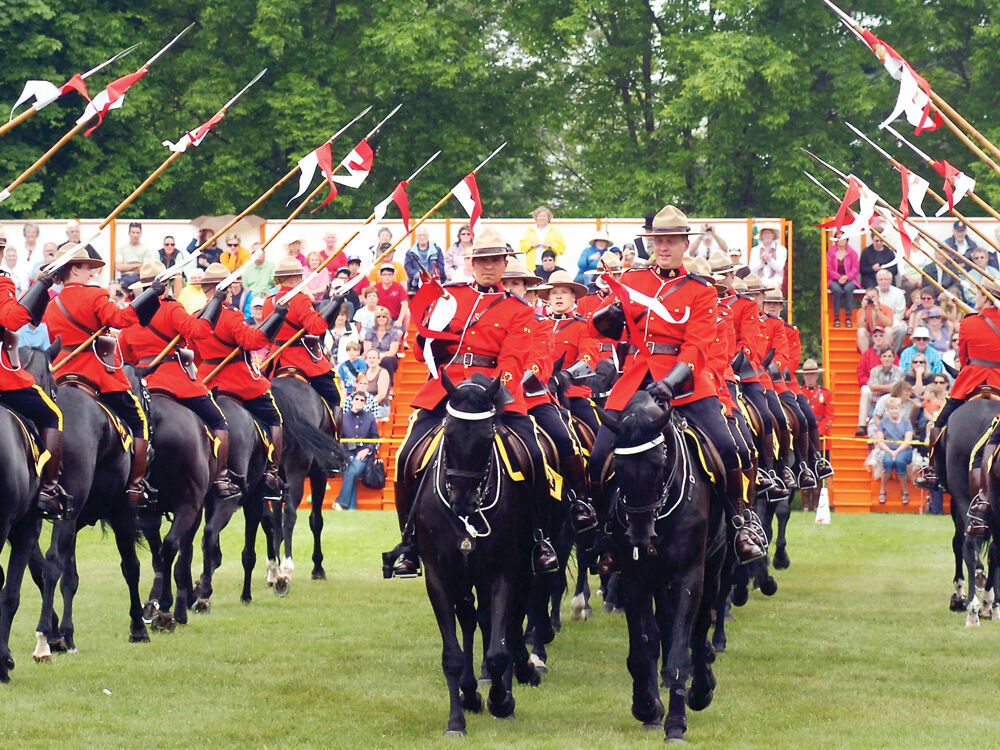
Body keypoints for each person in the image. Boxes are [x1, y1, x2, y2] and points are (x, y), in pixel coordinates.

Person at [586, 205, 766, 570]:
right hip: (636, 379)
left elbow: (698, 344)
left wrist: (671, 381)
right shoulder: (633, 280)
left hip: (685, 384)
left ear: (685, 244)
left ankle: (740, 523)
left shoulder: (700, 290)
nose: (664, 247)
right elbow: (599, 330)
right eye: (658, 241)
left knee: (729, 448)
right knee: (598, 457)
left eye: (671, 241)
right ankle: (605, 534)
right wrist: (608, 316)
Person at [387, 225, 558, 579]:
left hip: (493, 392)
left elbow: (513, 359)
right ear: (473, 263)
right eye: (483, 260)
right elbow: (423, 352)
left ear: (504, 264)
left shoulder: (518, 309)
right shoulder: (450, 297)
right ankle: (409, 542)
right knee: (405, 456)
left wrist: (488, 392)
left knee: (534, 455)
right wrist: (429, 330)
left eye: (495, 260)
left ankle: (539, 538)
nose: (489, 266)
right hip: (448, 391)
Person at [43, 244, 161, 506]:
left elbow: (55, 340)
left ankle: (46, 484)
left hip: (62, 373)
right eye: (87, 268)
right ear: (75, 269)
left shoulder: (52, 304)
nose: (92, 273)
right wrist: (151, 294)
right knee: (138, 419)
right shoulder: (95, 294)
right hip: (96, 372)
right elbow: (121, 319)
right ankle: (136, 485)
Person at [118, 261, 240, 500]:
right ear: (164, 287)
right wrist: (216, 302)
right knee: (218, 422)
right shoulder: (172, 309)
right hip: (175, 379)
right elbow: (199, 331)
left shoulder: (132, 315)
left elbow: (124, 356)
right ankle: (222, 477)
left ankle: (134, 482)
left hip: (143, 383)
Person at [189, 263, 285, 498]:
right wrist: (276, 317)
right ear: (219, 289)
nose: (233, 291)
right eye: (230, 287)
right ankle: (272, 472)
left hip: (207, 380)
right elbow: (253, 342)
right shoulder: (232, 316)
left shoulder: (196, 317)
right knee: (274, 418)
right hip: (240, 381)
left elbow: (193, 353)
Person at [0, 262, 71, 518]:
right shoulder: (2, 282)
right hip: (4, 380)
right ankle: (49, 489)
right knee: (53, 415)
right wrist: (41, 285)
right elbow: (12, 319)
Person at [919, 278, 1000, 493]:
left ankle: (933, 470)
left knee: (939, 422)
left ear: (986, 297)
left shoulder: (969, 322)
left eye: (978, 293)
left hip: (971, 381)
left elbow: (963, 358)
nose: (976, 297)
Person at [263, 258, 344, 413]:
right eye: (299, 277)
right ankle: (335, 426)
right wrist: (336, 304)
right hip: (302, 359)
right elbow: (317, 328)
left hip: (276, 358)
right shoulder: (300, 299)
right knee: (334, 396)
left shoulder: (268, 302)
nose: (302, 280)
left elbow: (267, 337)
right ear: (291, 279)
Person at [334, 391, 379, 510]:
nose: (359, 402)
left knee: (351, 472)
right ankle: (352, 508)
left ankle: (340, 502)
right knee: (350, 473)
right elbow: (338, 439)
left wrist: (367, 449)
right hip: (346, 455)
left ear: (365, 403)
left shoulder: (370, 418)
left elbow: (375, 438)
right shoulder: (343, 417)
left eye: (362, 400)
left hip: (363, 455)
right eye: (357, 399)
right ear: (352, 401)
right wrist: (344, 455)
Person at [800, 359, 833, 511]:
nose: (809, 377)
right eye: (807, 374)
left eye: (812, 374)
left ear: (817, 376)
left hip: (820, 438)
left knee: (819, 471)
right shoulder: (799, 393)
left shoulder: (825, 393)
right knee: (804, 469)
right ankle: (805, 504)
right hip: (804, 436)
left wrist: (818, 432)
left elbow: (829, 416)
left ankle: (816, 504)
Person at [876, 397, 913, 505]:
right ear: (888, 410)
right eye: (891, 408)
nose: (894, 411)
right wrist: (890, 452)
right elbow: (880, 441)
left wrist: (896, 452)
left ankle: (905, 491)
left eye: (896, 408)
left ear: (900, 409)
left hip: (903, 449)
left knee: (899, 461)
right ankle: (882, 490)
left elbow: (908, 440)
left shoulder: (906, 422)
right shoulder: (883, 422)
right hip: (888, 449)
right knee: (887, 461)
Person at [827, 233, 860, 327]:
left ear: (847, 239)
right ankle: (836, 318)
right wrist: (838, 277)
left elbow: (855, 269)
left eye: (843, 238)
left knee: (848, 289)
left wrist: (846, 277)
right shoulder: (830, 253)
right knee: (836, 289)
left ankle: (848, 317)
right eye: (838, 238)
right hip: (834, 279)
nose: (840, 240)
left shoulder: (852, 253)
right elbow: (828, 268)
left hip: (849, 279)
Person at [519, 205, 566, 269]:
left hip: (549, 267)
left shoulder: (555, 231)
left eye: (544, 216)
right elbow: (521, 247)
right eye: (540, 216)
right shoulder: (529, 231)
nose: (542, 218)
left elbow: (561, 249)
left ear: (549, 218)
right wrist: (530, 245)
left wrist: (551, 245)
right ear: (536, 218)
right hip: (532, 266)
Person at [403, 226, 446, 292]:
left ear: (428, 236)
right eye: (420, 235)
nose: (422, 237)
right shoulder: (410, 252)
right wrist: (419, 275)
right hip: (416, 285)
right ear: (416, 237)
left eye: (424, 235)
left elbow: (441, 267)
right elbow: (407, 268)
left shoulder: (437, 250)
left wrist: (430, 275)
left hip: (435, 283)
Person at [875, 269, 909, 350]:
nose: (883, 282)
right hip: (876, 322)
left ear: (890, 281)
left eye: (886, 279)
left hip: (894, 322)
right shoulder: (873, 292)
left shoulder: (898, 293)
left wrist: (888, 322)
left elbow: (900, 313)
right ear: (877, 281)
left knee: (902, 329)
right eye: (881, 279)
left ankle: (893, 352)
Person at [364, 306, 401, 379]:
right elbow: (367, 351)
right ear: (376, 318)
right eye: (378, 316)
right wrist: (375, 357)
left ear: (388, 318)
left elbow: (392, 352)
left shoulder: (393, 333)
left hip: (388, 357)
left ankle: (389, 384)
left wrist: (381, 356)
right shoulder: (370, 332)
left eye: (384, 316)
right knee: (366, 361)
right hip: (372, 356)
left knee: (386, 361)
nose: (381, 318)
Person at [748, 221, 787, 289]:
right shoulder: (755, 250)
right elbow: (752, 269)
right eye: (765, 233)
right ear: (761, 235)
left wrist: (770, 259)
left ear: (773, 235)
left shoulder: (781, 249)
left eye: (769, 233)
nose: (767, 235)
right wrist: (762, 262)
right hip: (758, 284)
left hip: (775, 284)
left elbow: (780, 269)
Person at [115, 222, 154, 288]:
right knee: (113, 287)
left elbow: (144, 269)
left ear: (140, 234)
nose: (135, 235)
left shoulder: (146, 249)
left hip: (139, 278)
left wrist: (126, 266)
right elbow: (119, 267)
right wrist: (138, 265)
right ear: (129, 233)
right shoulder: (121, 248)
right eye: (133, 232)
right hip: (124, 278)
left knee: (137, 288)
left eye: (137, 233)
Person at [373, 263, 409, 331]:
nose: (387, 277)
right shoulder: (375, 288)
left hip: (394, 319)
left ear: (393, 275)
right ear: (380, 275)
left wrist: (399, 320)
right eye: (384, 274)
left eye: (389, 274)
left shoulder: (399, 287)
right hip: (379, 319)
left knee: (398, 332)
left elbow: (404, 304)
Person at [360, 348, 391, 421]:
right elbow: (359, 391)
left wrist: (367, 406)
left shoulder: (383, 373)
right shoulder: (363, 373)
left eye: (374, 358)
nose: (371, 360)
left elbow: (381, 395)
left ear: (379, 360)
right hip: (364, 405)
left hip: (380, 406)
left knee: (363, 416)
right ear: (366, 360)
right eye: (369, 358)